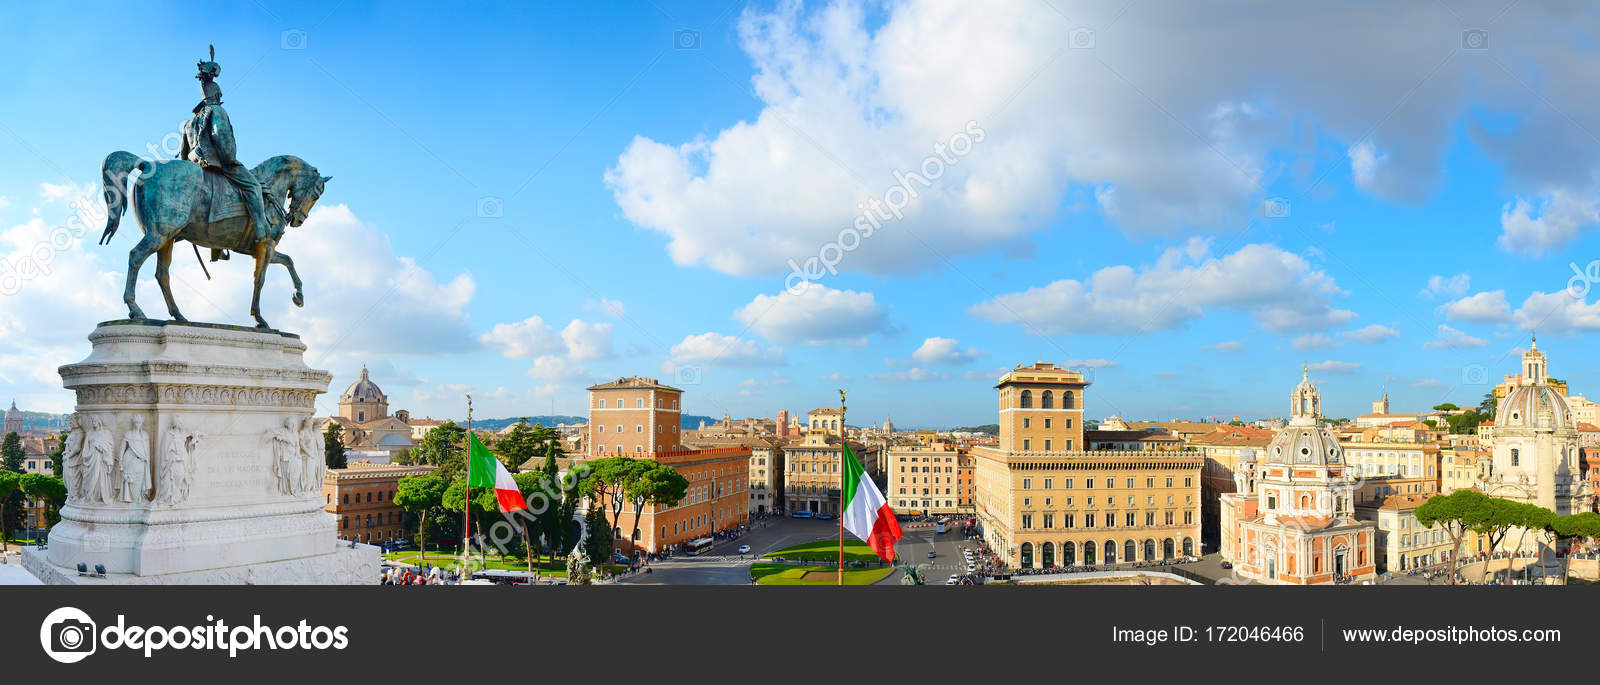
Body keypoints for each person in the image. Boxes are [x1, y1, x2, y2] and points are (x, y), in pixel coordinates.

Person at [179, 46, 274, 254]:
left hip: (195, 167)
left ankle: (217, 247)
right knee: (253, 187)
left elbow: (183, 155)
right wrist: (230, 159)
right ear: (218, 93)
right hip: (216, 163)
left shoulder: (190, 121)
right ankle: (261, 232)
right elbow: (221, 139)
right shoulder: (217, 112)